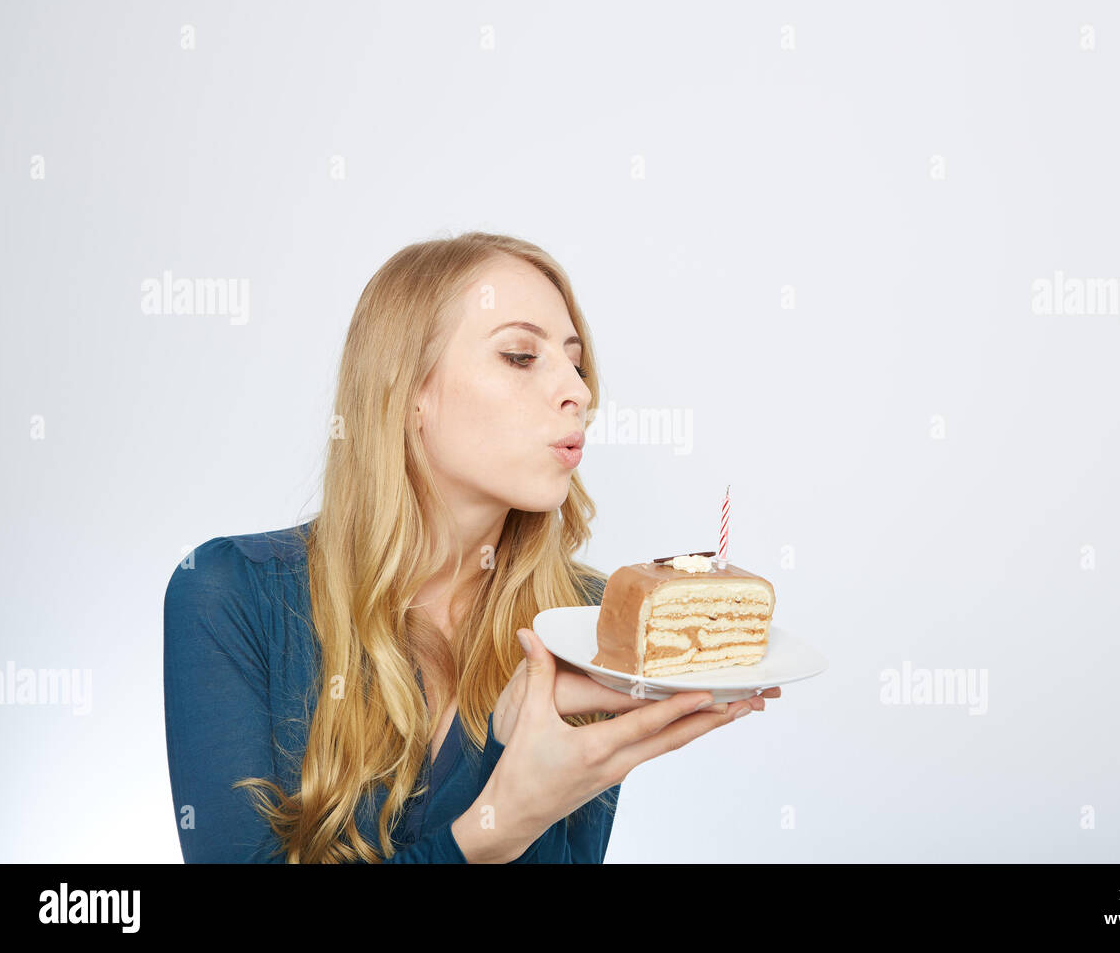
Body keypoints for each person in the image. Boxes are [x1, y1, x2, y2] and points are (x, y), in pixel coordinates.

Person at [163, 231, 779, 863]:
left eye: (577, 363)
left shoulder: (588, 622)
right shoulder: (229, 593)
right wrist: (502, 821)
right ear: (407, 395)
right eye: (519, 356)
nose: (580, 392)